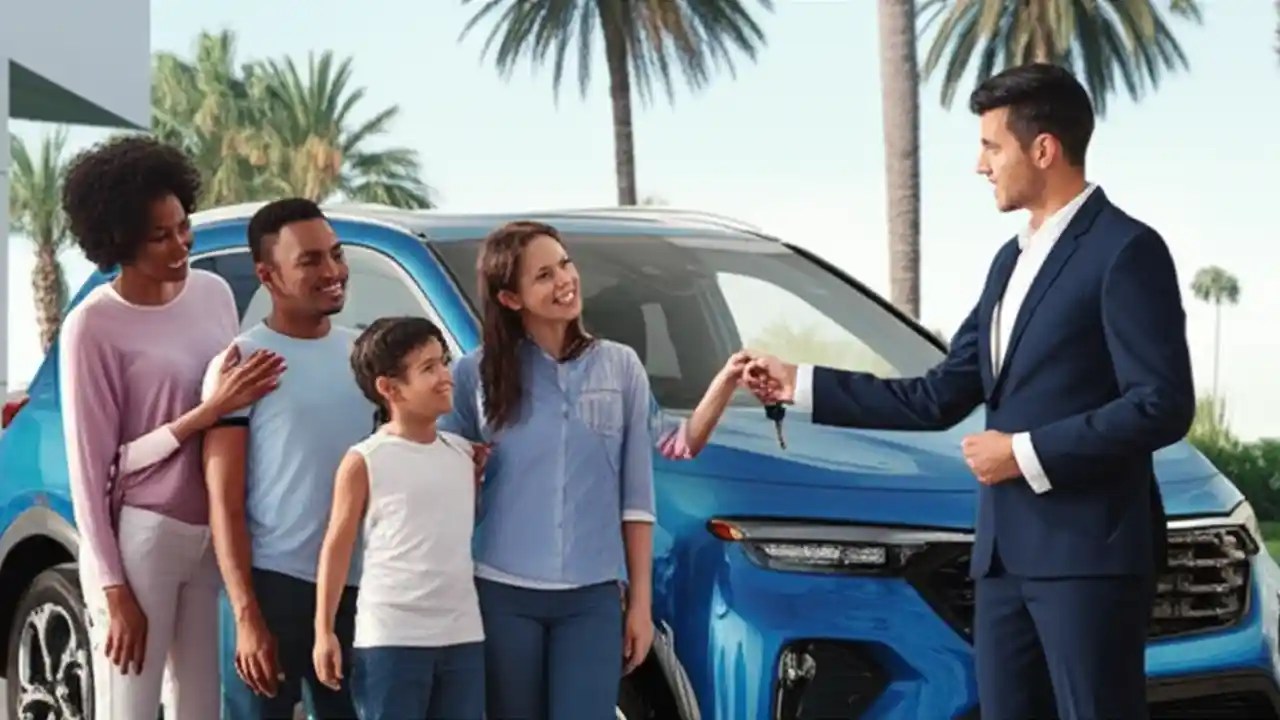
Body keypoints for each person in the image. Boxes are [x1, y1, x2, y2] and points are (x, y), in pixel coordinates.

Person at [743, 63, 1195, 720]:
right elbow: (938, 396)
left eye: (991, 147)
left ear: (1043, 149)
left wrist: (1025, 453)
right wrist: (800, 383)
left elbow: (1161, 403)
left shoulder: (1126, 251)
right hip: (1002, 560)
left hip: (1088, 559)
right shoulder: (1008, 263)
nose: (980, 166)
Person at [57, 135, 283, 719]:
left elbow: (234, 419)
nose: (180, 244)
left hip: (207, 535)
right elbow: (97, 469)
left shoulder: (212, 295)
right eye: (159, 236)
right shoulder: (92, 326)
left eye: (182, 226)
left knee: (200, 709)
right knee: (129, 708)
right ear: (120, 241)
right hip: (143, 540)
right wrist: (113, 589)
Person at [440, 220, 659, 720]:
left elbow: (637, 498)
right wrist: (467, 475)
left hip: (593, 598)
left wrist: (640, 606)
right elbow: (447, 499)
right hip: (501, 593)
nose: (564, 280)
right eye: (543, 275)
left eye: (565, 264)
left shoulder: (622, 368)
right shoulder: (471, 376)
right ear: (511, 298)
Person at [201, 197, 376, 719]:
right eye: (310, 261)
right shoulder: (241, 363)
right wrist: (247, 615)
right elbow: (224, 503)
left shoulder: (366, 356)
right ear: (267, 274)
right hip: (273, 588)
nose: (333, 271)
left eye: (336, 255)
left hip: (356, 590)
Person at [313, 317, 486, 720]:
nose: (446, 376)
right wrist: (324, 632)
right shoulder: (365, 460)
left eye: (443, 362)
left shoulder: (464, 455)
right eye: (428, 368)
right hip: (391, 641)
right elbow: (336, 550)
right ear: (389, 389)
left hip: (463, 637)